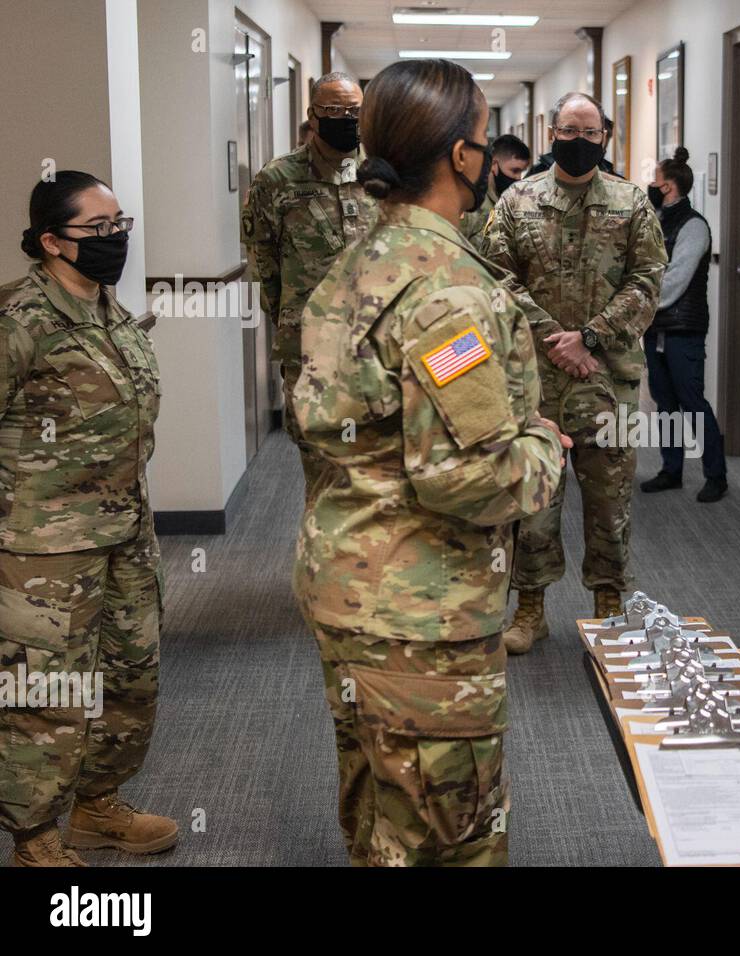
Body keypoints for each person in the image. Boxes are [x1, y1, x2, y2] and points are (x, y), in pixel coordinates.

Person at [292, 58, 567, 867]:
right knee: (454, 835)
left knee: (382, 814)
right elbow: (467, 476)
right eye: (484, 142)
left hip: (347, 585)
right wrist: (545, 445)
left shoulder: (358, 264)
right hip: (423, 614)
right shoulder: (448, 290)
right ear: (459, 157)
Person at [0, 172, 176, 867]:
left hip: (126, 531)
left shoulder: (109, 310)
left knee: (131, 674)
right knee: (49, 691)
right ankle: (34, 834)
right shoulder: (22, 322)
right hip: (47, 553)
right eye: (98, 230)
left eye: (120, 223)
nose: (116, 239)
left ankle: (96, 804)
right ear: (51, 242)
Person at [484, 91, 667, 654]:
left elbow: (648, 281)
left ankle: (609, 607)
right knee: (534, 501)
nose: (580, 142)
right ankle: (531, 608)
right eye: (569, 131)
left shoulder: (633, 202)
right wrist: (554, 340)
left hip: (608, 379)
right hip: (536, 381)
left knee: (610, 500)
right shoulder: (517, 202)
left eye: (591, 133)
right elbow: (497, 280)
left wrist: (589, 337)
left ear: (606, 136)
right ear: (552, 134)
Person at [242, 71, 378, 505]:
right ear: (312, 115)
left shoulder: (381, 175)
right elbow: (264, 261)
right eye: (333, 110)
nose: (345, 119)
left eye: (354, 111)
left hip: (378, 349)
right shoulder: (276, 180)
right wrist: (291, 319)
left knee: (377, 470)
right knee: (321, 472)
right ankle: (324, 571)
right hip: (310, 351)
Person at [640, 147, 727, 502]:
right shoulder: (658, 219)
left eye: (656, 182)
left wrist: (641, 303)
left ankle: (716, 475)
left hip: (683, 328)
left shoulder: (694, 226)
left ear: (670, 187)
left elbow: (675, 280)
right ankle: (670, 470)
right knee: (664, 402)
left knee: (692, 401)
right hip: (656, 326)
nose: (651, 186)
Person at [459, 133, 531, 253]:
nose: (519, 178)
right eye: (514, 171)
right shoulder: (472, 204)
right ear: (494, 165)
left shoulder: (514, 203)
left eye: (522, 172)